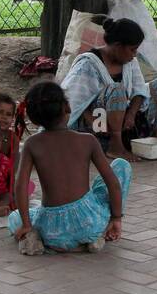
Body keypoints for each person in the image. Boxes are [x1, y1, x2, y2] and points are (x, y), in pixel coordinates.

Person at [9, 82, 129, 256]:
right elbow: (113, 184)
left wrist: (27, 224)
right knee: (121, 166)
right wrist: (116, 218)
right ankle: (94, 237)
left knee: (14, 218)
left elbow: (20, 186)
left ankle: (35, 238)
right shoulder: (88, 140)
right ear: (67, 107)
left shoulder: (32, 144)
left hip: (51, 231)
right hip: (90, 223)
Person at [60, 17, 154, 161]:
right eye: (132, 49)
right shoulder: (88, 64)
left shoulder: (130, 62)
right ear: (117, 46)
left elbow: (139, 90)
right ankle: (115, 147)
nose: (134, 54)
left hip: (124, 122)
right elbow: (73, 101)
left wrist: (131, 114)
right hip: (94, 125)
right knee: (117, 89)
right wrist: (93, 121)